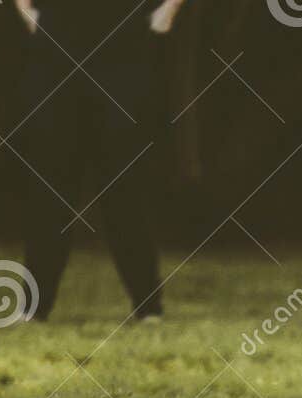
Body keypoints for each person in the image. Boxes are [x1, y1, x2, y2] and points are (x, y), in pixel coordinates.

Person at [13, 0, 186, 323]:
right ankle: (34, 307)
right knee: (51, 180)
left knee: (125, 180)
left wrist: (168, 11)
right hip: (58, 40)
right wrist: (25, 10)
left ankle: (148, 307)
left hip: (124, 41)